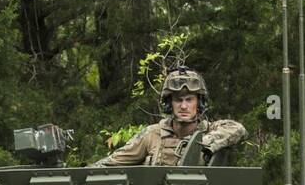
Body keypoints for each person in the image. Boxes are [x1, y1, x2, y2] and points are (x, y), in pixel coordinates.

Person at [93, 67, 246, 166]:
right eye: (178, 100)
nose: (184, 106)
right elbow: (113, 161)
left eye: (189, 100)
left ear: (198, 103)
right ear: (169, 104)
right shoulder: (153, 134)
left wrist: (198, 144)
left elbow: (238, 129)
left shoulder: (209, 130)